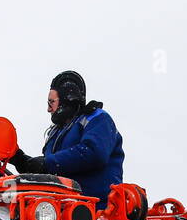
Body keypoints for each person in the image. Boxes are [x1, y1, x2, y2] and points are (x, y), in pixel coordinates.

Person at [8, 71, 124, 208]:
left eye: (51, 102)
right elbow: (52, 169)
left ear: (67, 99)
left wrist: (46, 163)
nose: (48, 109)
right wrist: (23, 161)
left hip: (97, 209)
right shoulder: (56, 132)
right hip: (61, 209)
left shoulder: (97, 118)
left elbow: (94, 153)